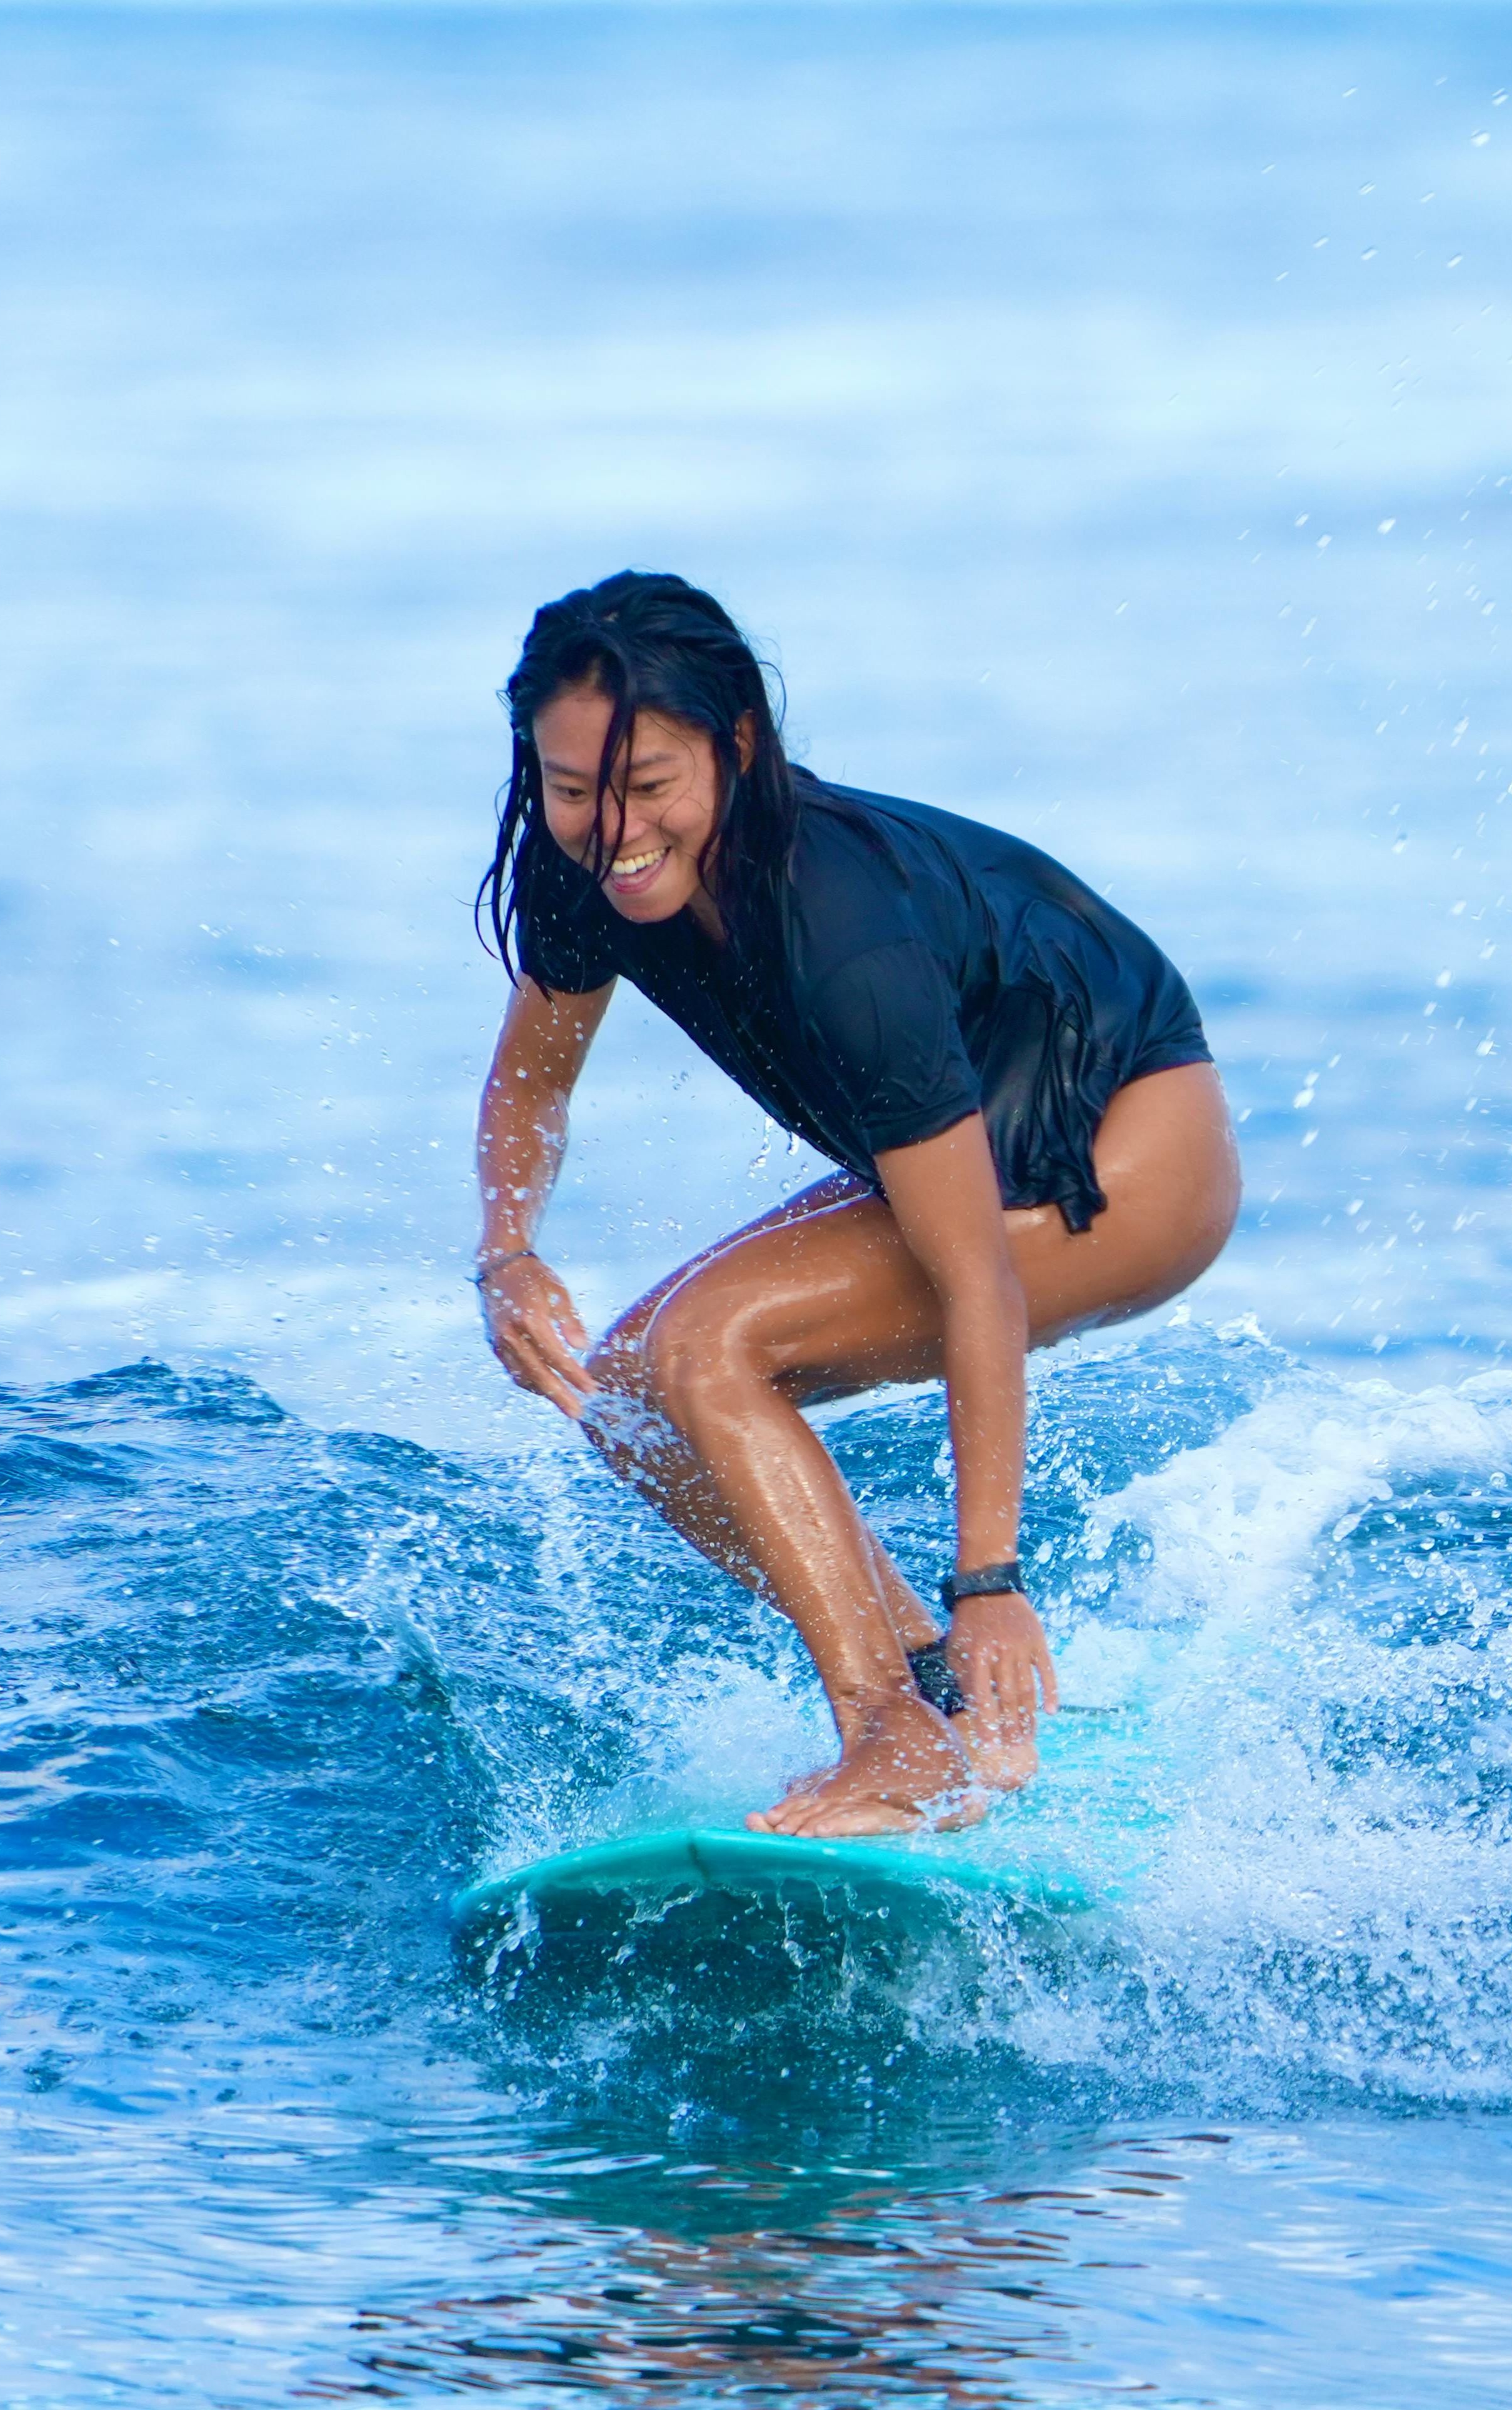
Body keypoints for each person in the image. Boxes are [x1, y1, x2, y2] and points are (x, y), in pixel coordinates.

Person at [468, 572, 1237, 1838]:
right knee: (629, 1399)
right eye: (572, 789)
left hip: (1128, 1155)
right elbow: (528, 1085)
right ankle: (931, 1694)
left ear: (738, 745)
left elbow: (972, 1272)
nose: (611, 826)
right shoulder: (584, 865)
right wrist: (507, 1253)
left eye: (650, 784)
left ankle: (894, 1739)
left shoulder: (837, 929)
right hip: (978, 1141)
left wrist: (991, 1575)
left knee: (707, 1345)